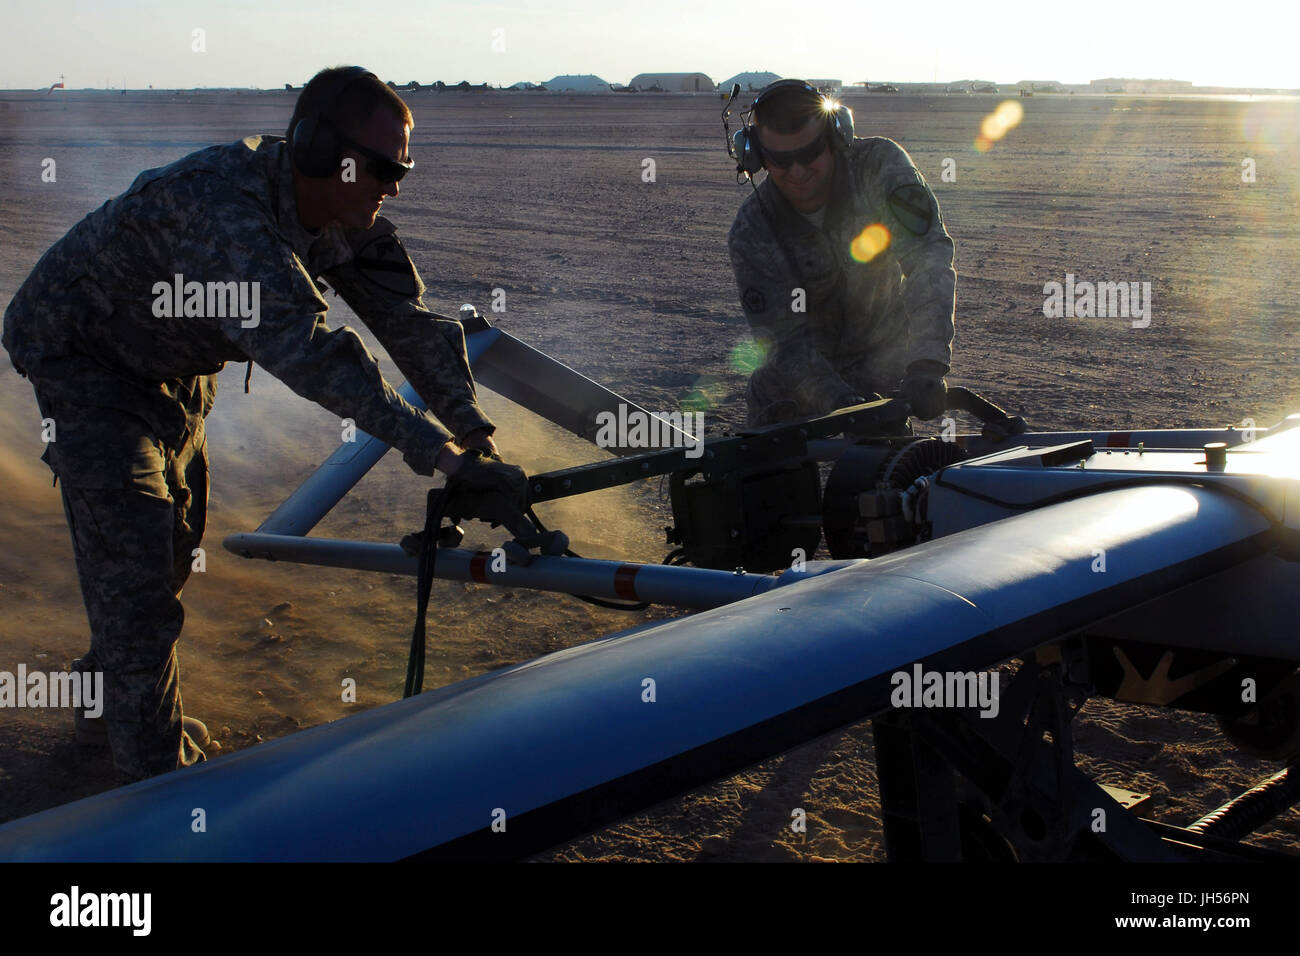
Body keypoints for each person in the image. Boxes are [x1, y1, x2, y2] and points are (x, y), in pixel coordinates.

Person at [1, 66, 526, 783]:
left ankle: (105, 705)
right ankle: (153, 789)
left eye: (401, 168)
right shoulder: (228, 214)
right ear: (317, 150)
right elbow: (313, 355)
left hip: (172, 366)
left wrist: (474, 434)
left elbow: (407, 325)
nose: (392, 185)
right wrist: (437, 453)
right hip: (85, 360)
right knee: (138, 555)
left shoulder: (341, 217)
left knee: (174, 549)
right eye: (378, 167)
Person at [727, 79, 957, 426]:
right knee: (767, 469)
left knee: (893, 474)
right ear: (756, 157)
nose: (798, 171)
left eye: (809, 154)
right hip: (797, 381)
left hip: (883, 364)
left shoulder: (879, 168)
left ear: (836, 138)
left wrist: (927, 362)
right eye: (781, 161)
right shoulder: (752, 231)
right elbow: (782, 341)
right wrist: (840, 401)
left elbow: (927, 257)